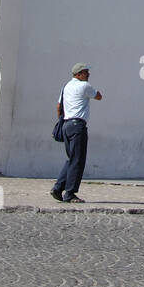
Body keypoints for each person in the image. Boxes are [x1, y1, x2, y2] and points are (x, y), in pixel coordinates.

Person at [51, 62, 103, 205]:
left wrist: (62, 121)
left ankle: (57, 188)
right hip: (78, 126)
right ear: (78, 74)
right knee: (78, 160)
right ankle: (70, 193)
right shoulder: (84, 86)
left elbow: (58, 106)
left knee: (72, 158)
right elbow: (99, 96)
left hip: (66, 125)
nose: (88, 74)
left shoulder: (66, 86)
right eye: (86, 72)